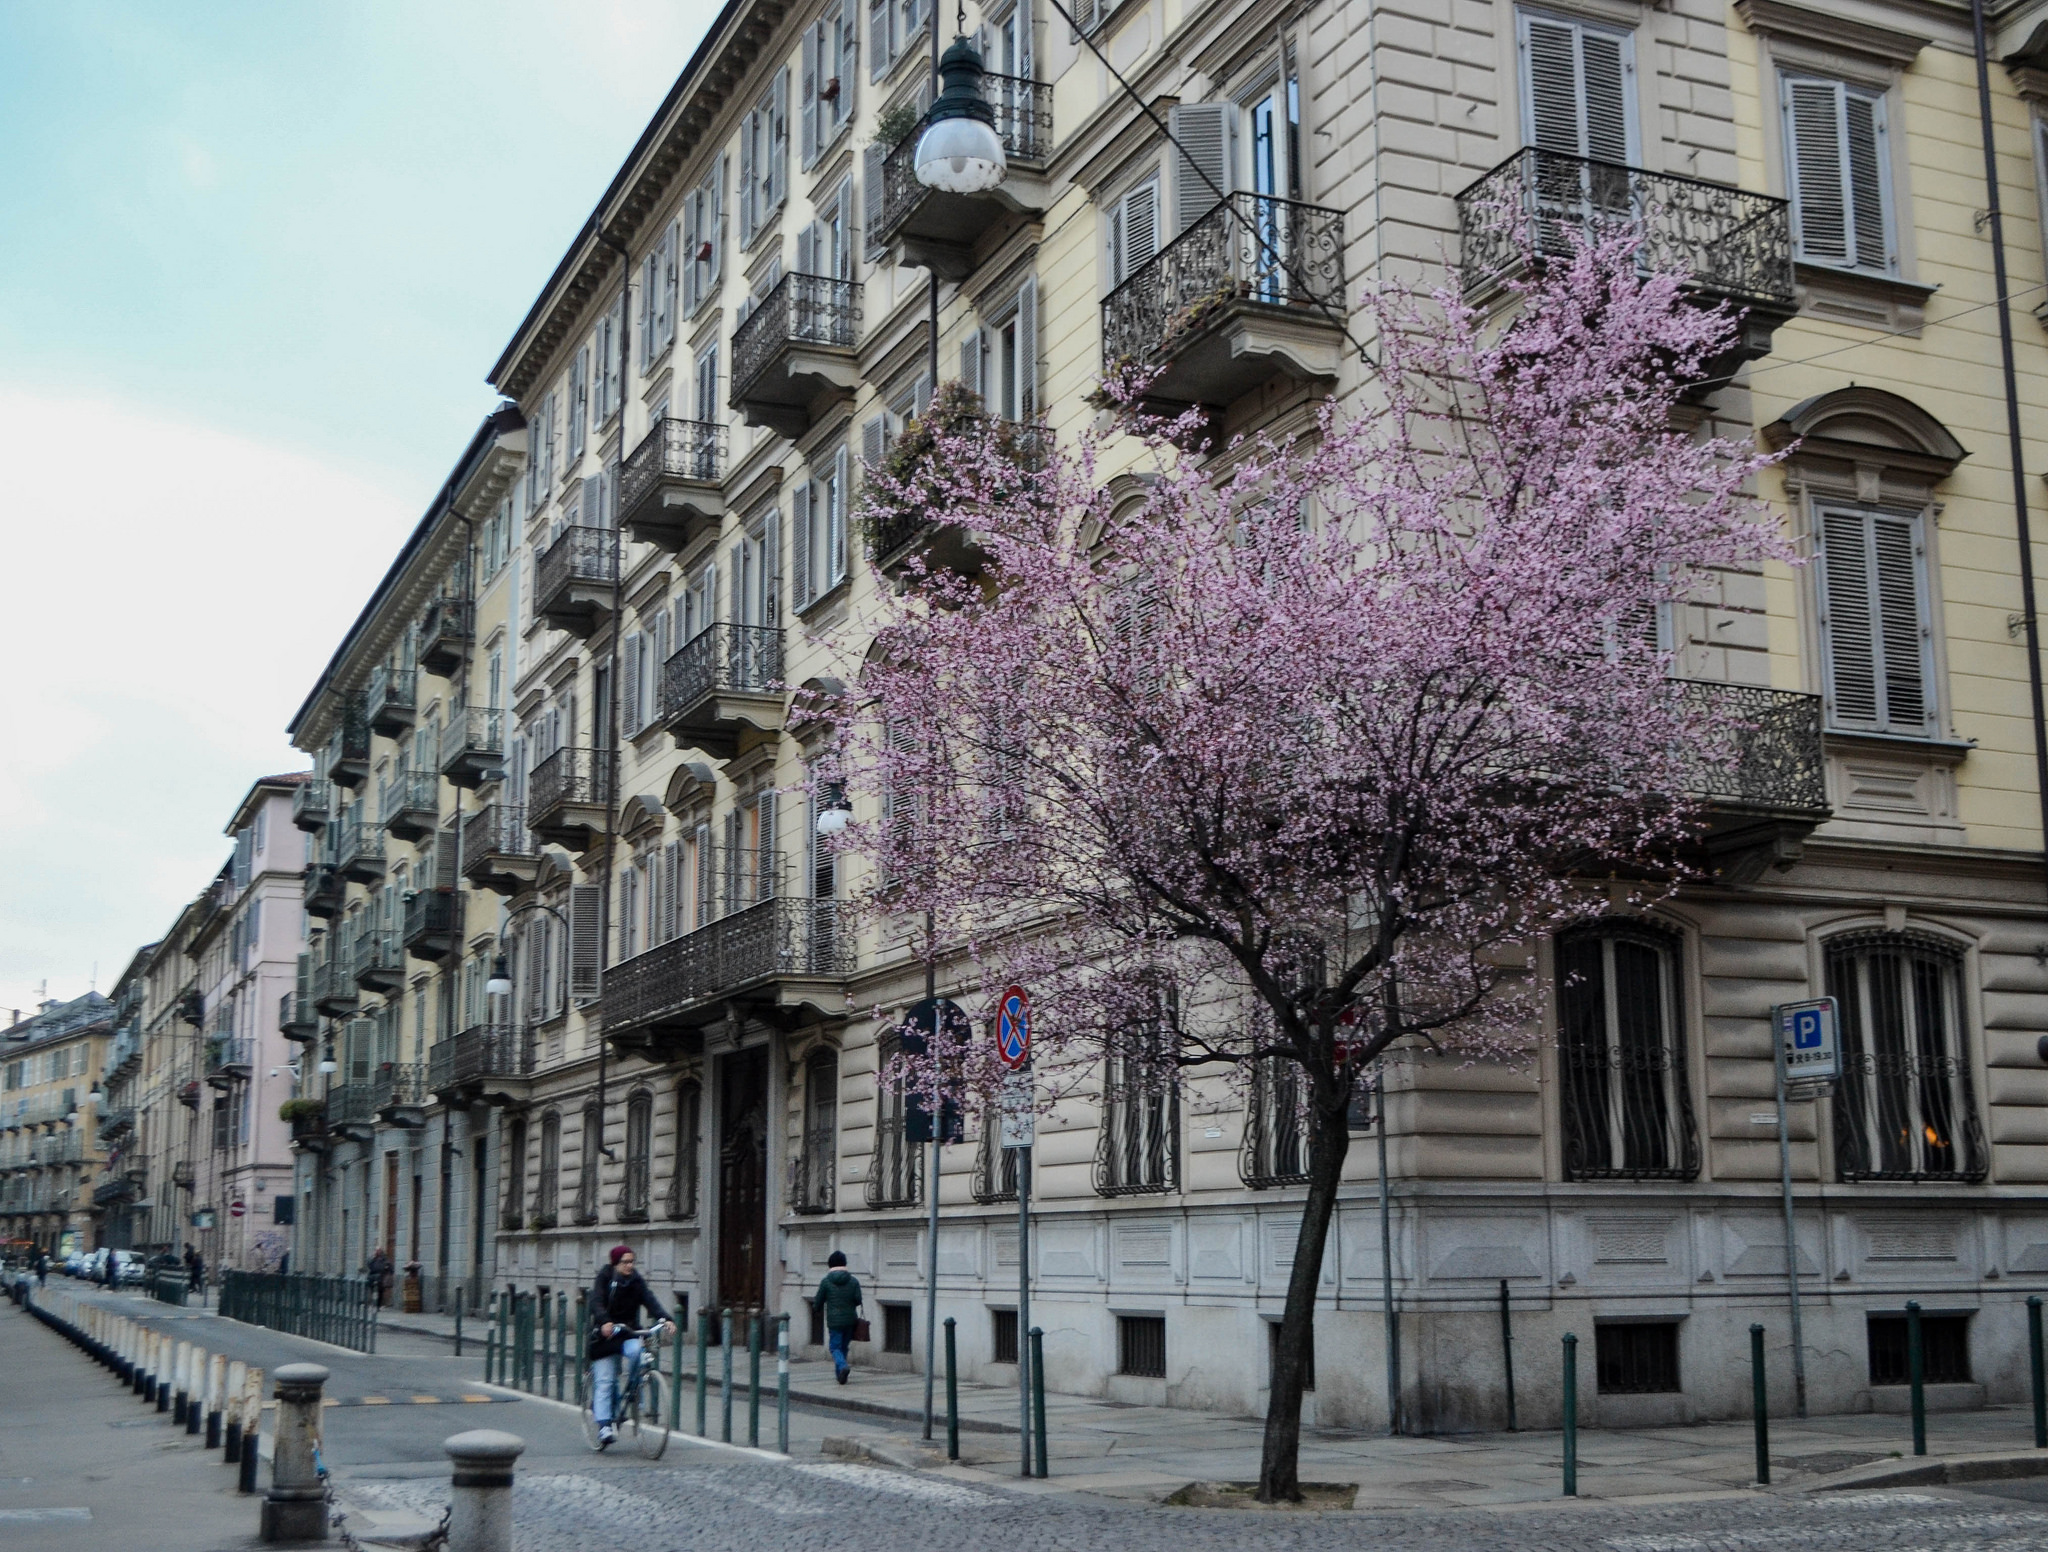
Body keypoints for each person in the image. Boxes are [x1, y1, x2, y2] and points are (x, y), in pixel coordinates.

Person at [587, 1246, 671, 1447]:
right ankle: (605, 1426)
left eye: (632, 1261)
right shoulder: (605, 1277)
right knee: (606, 1380)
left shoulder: (635, 1280)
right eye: (625, 1262)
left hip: (628, 1331)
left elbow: (650, 1300)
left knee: (637, 1354)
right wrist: (604, 1321)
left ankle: (634, 1388)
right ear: (616, 1263)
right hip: (605, 1336)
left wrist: (665, 1319)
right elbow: (596, 1301)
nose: (629, 1265)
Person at [812, 1251, 864, 1385]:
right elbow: (858, 1300)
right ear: (845, 1263)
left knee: (835, 1347)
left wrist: (816, 1309)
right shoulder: (853, 1281)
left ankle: (842, 1367)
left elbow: (818, 1301)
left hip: (834, 1321)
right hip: (850, 1320)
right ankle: (841, 1376)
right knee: (844, 1347)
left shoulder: (826, 1281)